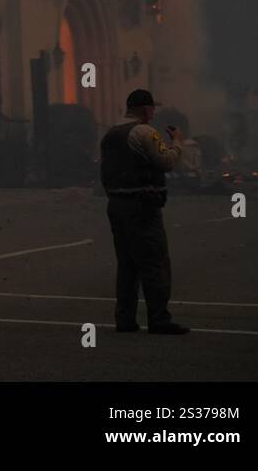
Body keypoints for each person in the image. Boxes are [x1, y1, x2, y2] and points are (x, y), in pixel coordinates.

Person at [99, 88, 189, 335]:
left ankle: (125, 319)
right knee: (154, 263)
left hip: (116, 204)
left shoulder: (110, 133)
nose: (153, 113)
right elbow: (167, 162)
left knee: (127, 265)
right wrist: (177, 142)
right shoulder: (144, 132)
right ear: (145, 109)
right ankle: (159, 319)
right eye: (152, 108)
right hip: (142, 205)